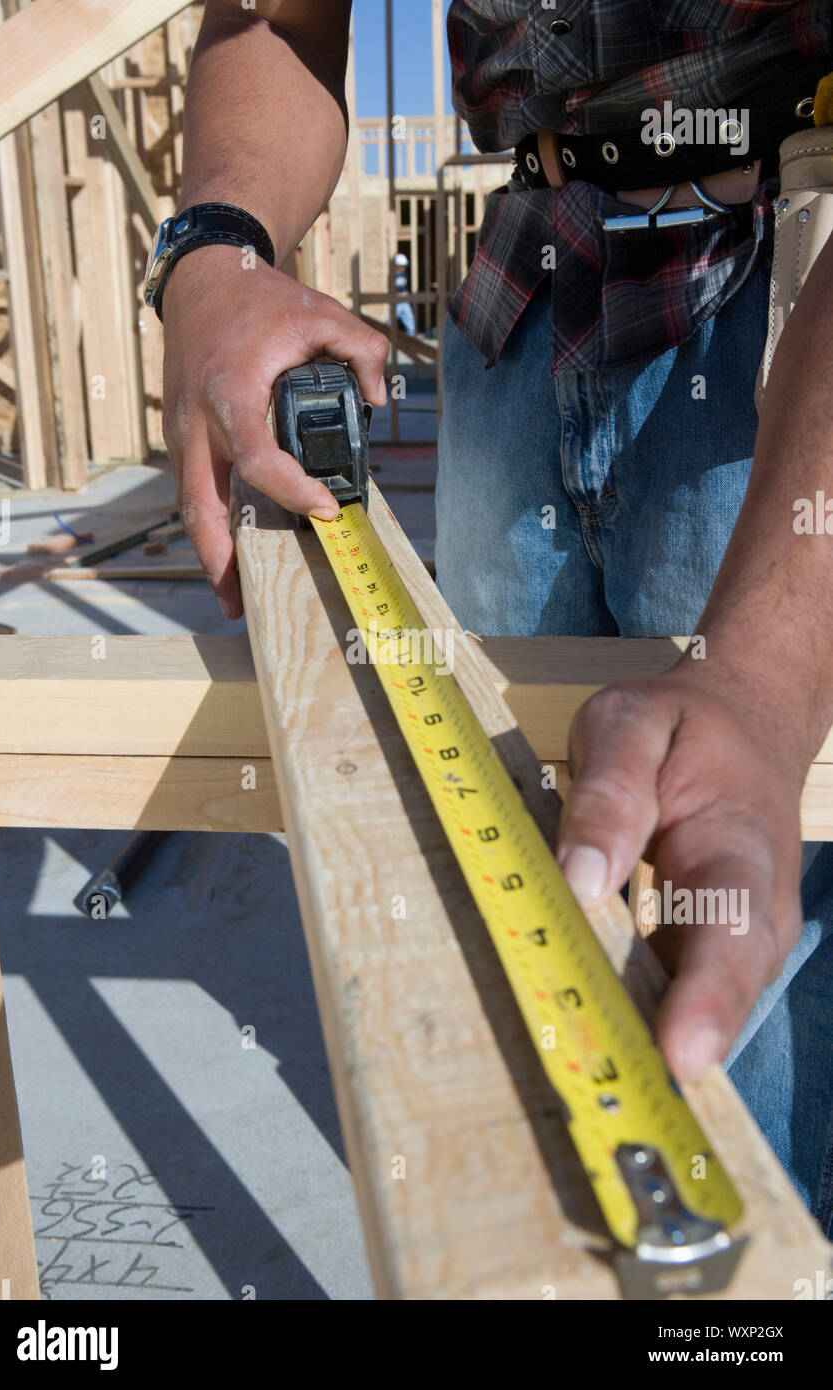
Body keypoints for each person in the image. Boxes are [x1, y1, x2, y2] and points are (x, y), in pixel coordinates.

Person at [154, 1, 833, 1236]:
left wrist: (767, 674)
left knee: (741, 950)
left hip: (786, 312)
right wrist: (216, 248)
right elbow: (280, 20)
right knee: (483, 847)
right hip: (525, 289)